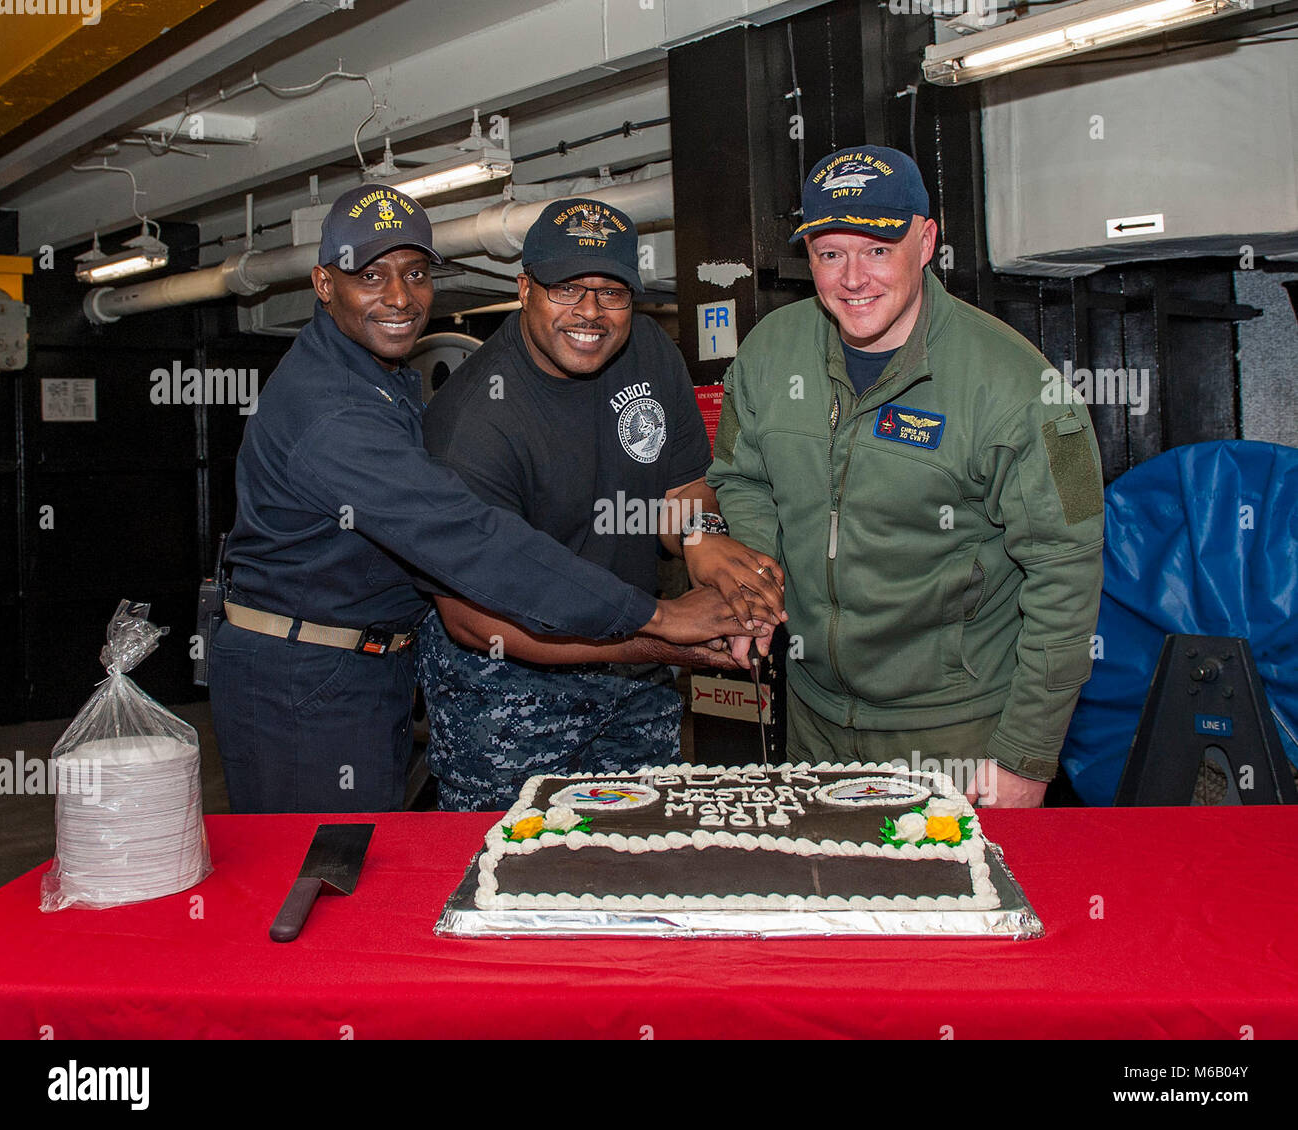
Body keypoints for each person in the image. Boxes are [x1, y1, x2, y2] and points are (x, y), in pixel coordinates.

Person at [208, 183, 777, 814]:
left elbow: (681, 488)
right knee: (322, 870)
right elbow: (475, 549)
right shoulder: (350, 412)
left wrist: (704, 538)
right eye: (370, 275)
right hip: (315, 675)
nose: (399, 298)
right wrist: (665, 623)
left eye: (416, 273)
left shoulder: (371, 372)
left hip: (367, 663)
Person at [708, 146, 1105, 808]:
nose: (853, 277)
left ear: (925, 243)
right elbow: (743, 479)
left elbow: (1067, 570)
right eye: (831, 253)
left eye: (877, 250)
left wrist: (1027, 756)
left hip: (955, 732)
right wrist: (759, 584)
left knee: (938, 913)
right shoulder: (770, 352)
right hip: (812, 716)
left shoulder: (1018, 386)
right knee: (824, 903)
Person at [417, 198, 785, 811]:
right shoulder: (473, 422)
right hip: (510, 688)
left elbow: (680, 487)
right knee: (513, 875)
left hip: (636, 676)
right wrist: (669, 636)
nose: (591, 313)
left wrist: (708, 544)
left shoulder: (648, 351)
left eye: (612, 293)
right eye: (567, 289)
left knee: (643, 856)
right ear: (525, 288)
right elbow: (474, 623)